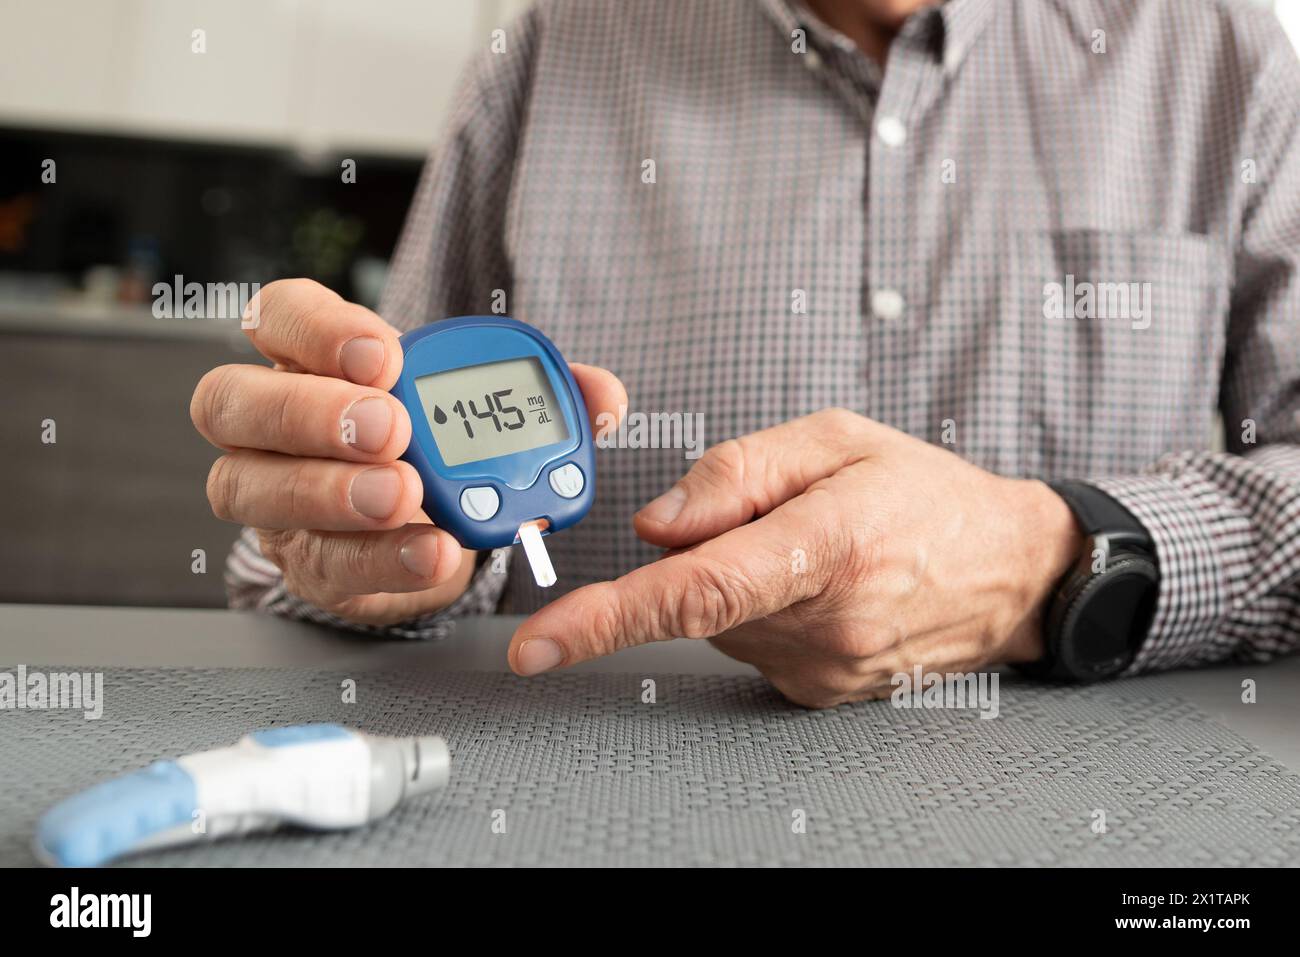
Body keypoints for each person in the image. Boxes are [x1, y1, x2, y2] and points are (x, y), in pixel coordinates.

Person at [190, 0, 1300, 708]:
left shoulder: (1225, 58)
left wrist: (1060, 558)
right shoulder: (554, 43)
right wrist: (362, 546)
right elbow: (334, 524)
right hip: (592, 799)